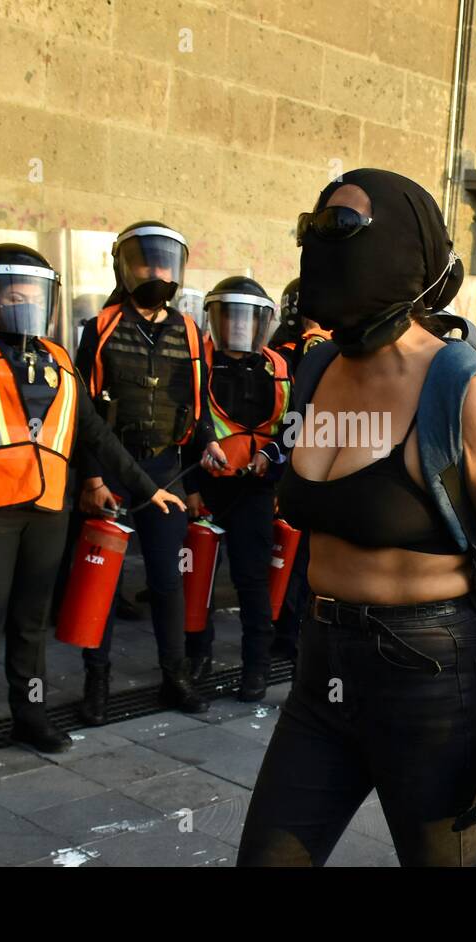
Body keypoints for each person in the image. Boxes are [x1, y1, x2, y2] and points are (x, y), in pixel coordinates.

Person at [237, 168, 476, 867]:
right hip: (321, 672)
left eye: (343, 228)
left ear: (405, 245)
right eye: (313, 228)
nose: (321, 244)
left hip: (431, 681)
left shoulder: (465, 391)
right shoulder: (314, 371)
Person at [0, 243, 185, 791]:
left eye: (31, 293)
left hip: (48, 507)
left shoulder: (56, 355)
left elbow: (94, 434)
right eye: (10, 292)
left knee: (31, 624)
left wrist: (149, 489)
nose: (22, 301)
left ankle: (30, 716)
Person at [71, 222, 210, 723]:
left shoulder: (191, 331)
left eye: (162, 263)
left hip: (167, 470)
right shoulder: (101, 326)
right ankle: (98, 682)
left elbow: (199, 410)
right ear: (126, 267)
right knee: (104, 580)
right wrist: (92, 480)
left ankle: (176, 677)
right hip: (111, 469)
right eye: (145, 263)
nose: (155, 272)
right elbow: (82, 413)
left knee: (167, 580)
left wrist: (195, 481)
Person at [182, 277, 291, 701]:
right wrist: (191, 489)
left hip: (255, 489)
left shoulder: (279, 368)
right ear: (217, 318)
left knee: (251, 581)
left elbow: (294, 426)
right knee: (198, 581)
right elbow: (185, 425)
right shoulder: (200, 364)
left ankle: (256, 668)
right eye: (233, 316)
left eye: (250, 317)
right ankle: (197, 660)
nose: (241, 326)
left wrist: (273, 458)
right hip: (206, 488)